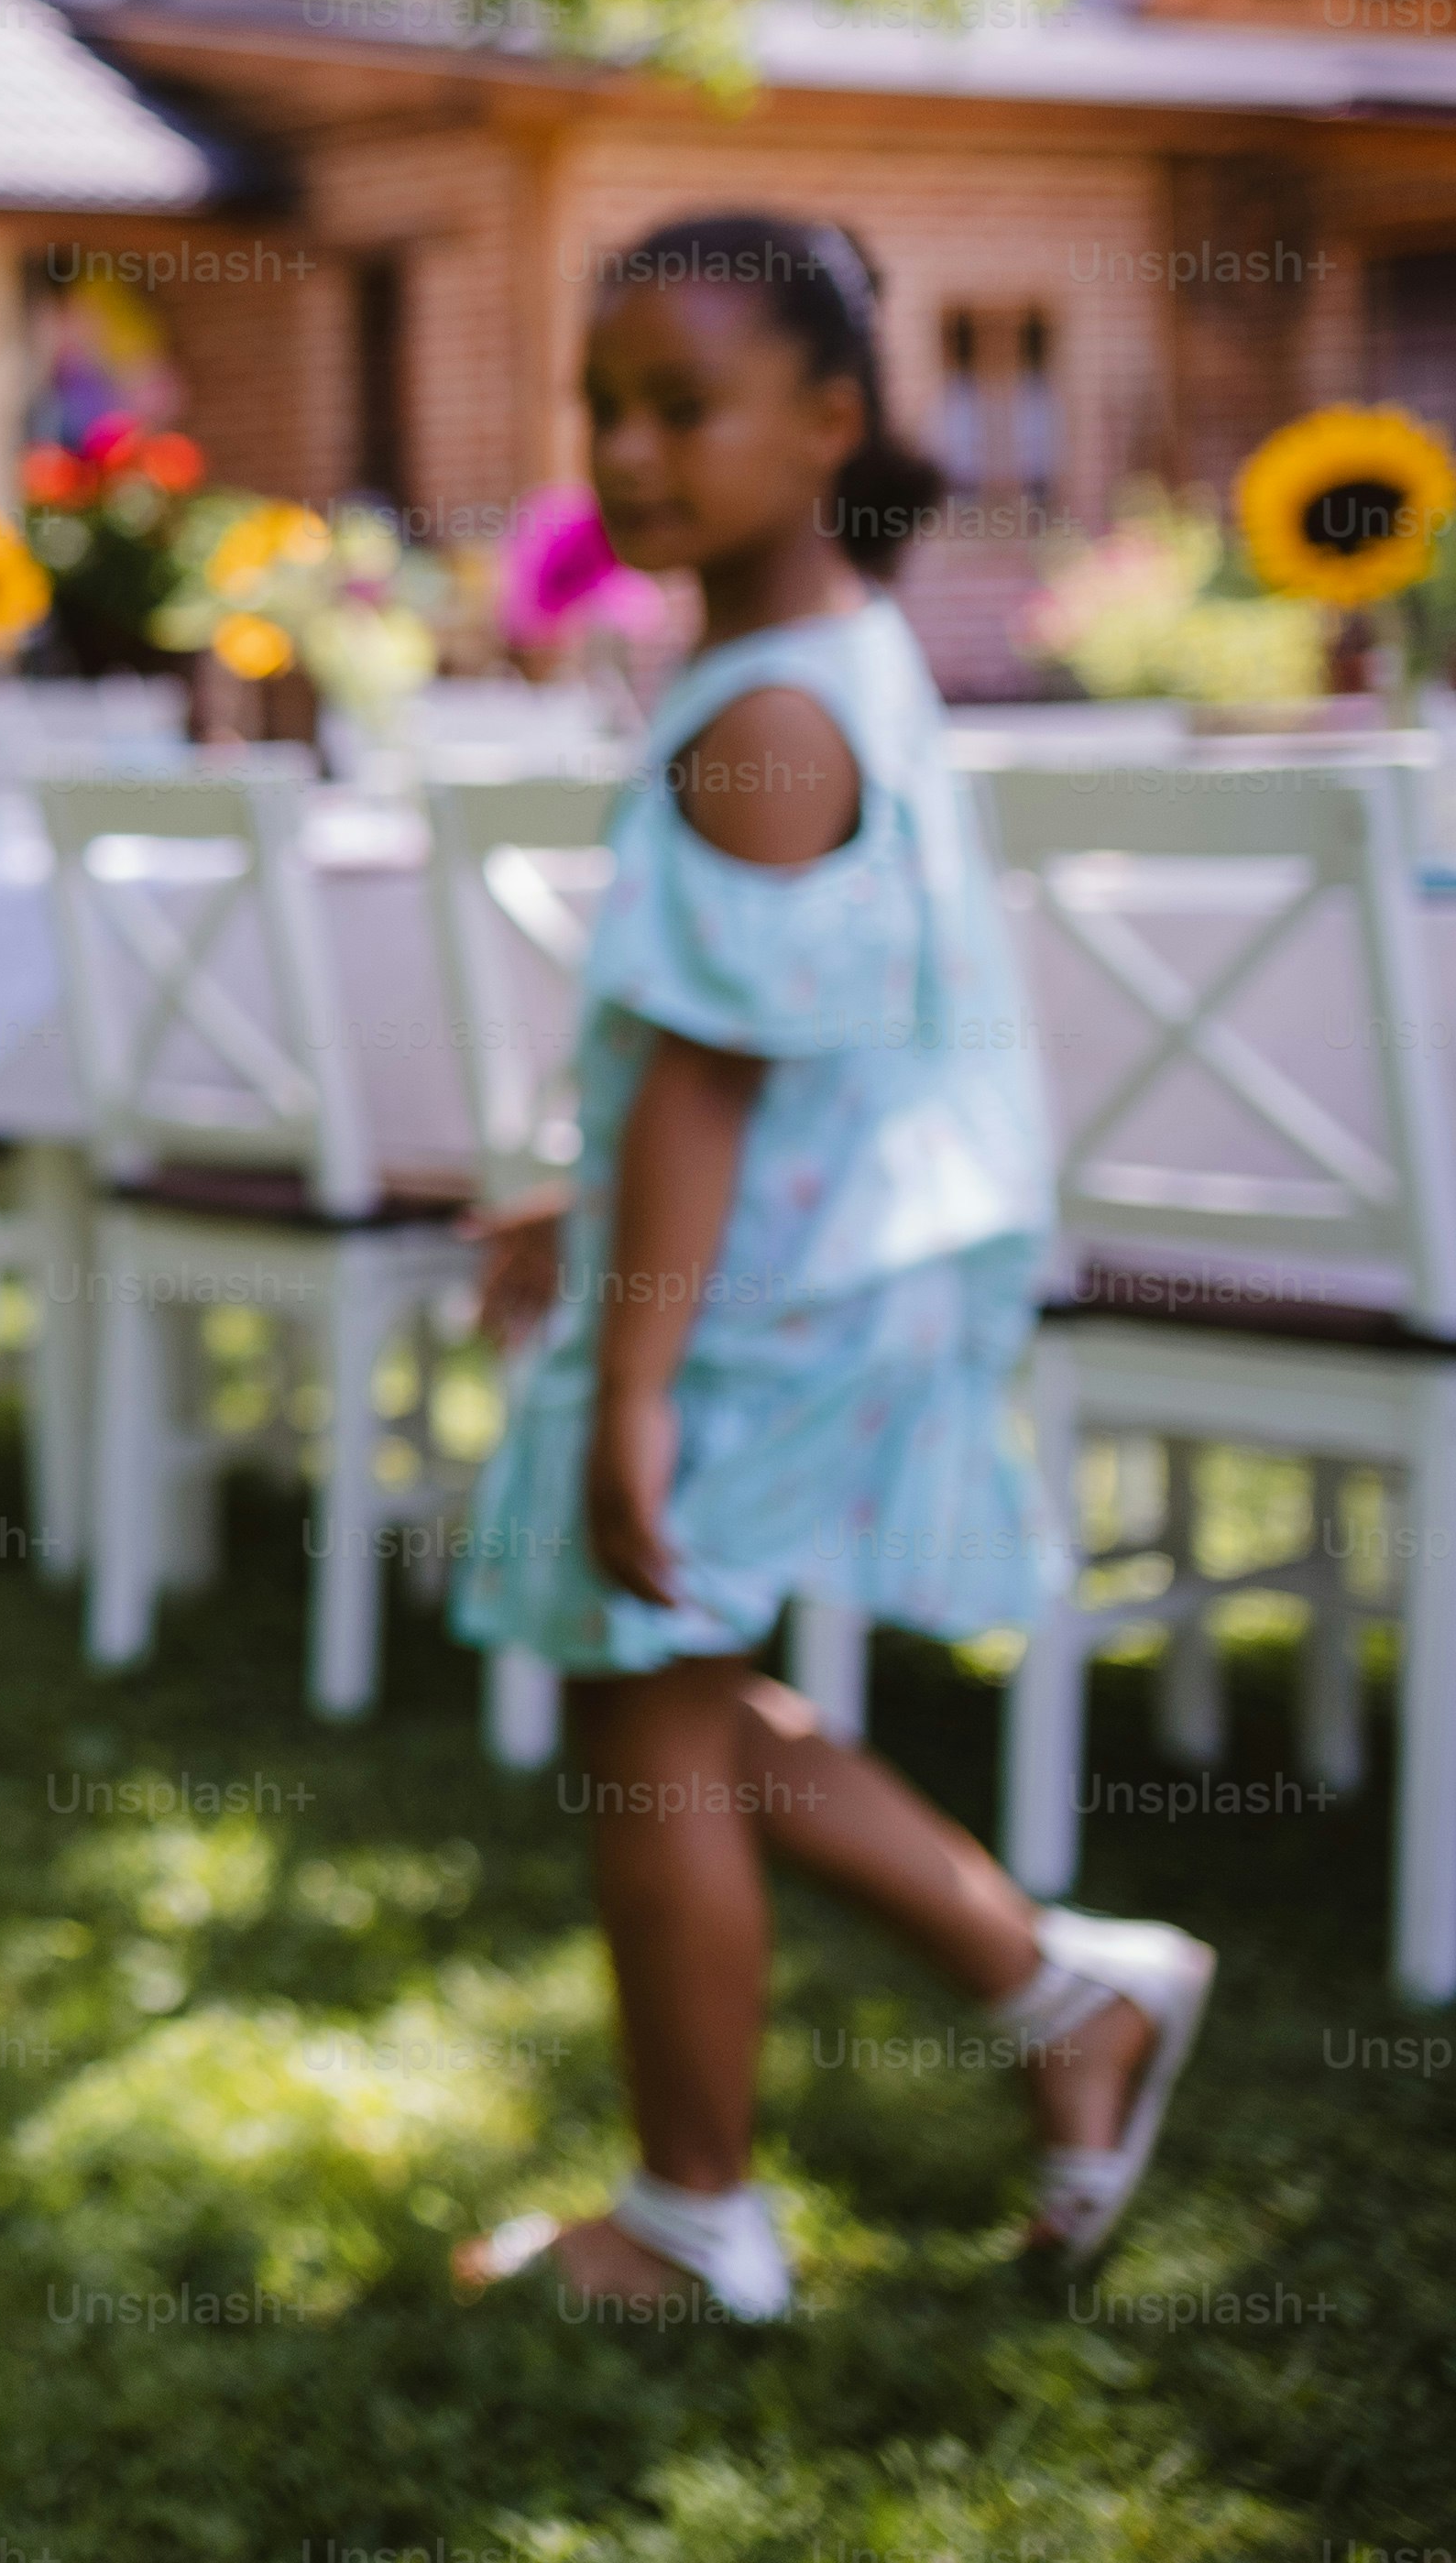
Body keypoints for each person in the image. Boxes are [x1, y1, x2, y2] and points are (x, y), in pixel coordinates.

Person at [447, 212, 1208, 2325]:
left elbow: (706, 1082)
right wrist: (580, 1221)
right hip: (832, 1247)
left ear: (828, 419)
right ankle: (1062, 1997)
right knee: (670, 1694)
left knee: (641, 1719)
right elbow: (784, 1027)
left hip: (762, 1289)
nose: (627, 449)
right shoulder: (813, 648)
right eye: (602, 405)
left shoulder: (759, 712)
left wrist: (624, 1377)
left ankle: (695, 2217)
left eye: (679, 406)